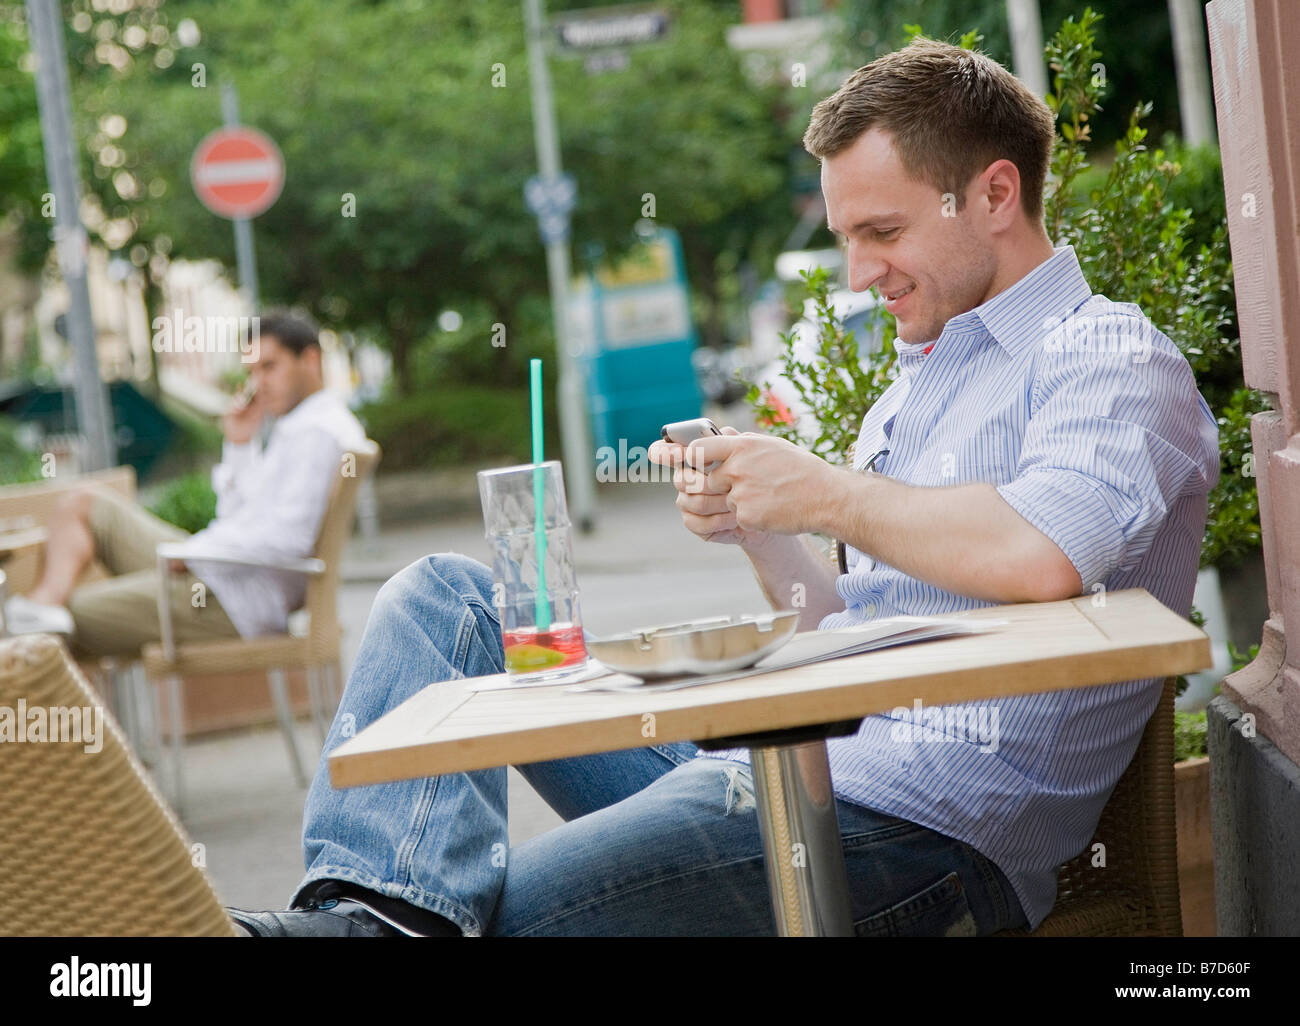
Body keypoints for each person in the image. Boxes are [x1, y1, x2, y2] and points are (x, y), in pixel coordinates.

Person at [228, 38, 1218, 938]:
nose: (858, 270)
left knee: (515, 917)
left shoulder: (1107, 358)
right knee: (443, 600)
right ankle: (367, 920)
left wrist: (825, 495)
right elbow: (852, 622)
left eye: (881, 230)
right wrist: (761, 523)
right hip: (796, 768)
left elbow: (1039, 556)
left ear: (995, 195)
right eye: (843, 236)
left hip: (929, 834)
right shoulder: (925, 375)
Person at [5, 311, 366, 659]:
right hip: (215, 572)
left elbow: (289, 539)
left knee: (66, 615)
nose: (258, 383)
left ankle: (36, 619)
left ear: (310, 359)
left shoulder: (318, 432)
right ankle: (42, 606)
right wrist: (240, 444)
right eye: (251, 371)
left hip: (231, 600)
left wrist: (194, 554)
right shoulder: (300, 427)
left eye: (269, 367)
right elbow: (237, 517)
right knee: (84, 503)